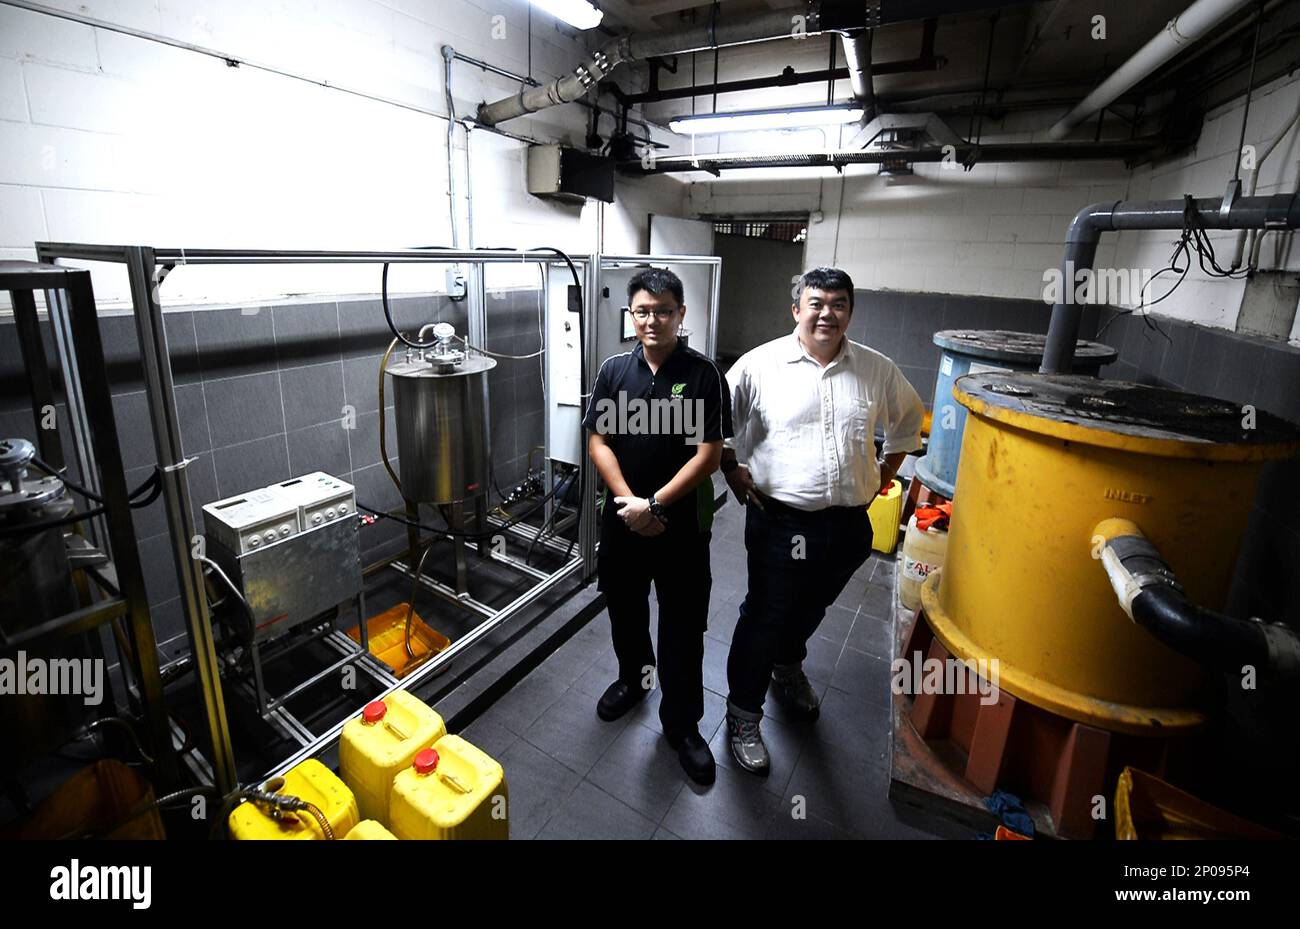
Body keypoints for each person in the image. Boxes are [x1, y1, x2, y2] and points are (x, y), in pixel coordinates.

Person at [720, 267, 924, 775]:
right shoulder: (760, 365)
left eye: (838, 304)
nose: (826, 313)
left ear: (850, 312)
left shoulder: (876, 369)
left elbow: (907, 421)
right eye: (816, 303)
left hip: (849, 526)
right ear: (797, 310)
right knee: (765, 614)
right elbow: (715, 424)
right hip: (780, 522)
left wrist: (882, 474)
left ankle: (787, 666)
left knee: (814, 604)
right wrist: (731, 469)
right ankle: (743, 714)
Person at [582, 267, 731, 785]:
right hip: (623, 521)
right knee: (624, 609)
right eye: (643, 311)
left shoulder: (704, 374)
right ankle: (634, 680)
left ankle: (682, 724)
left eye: (663, 311)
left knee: (683, 625)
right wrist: (630, 503)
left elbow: (709, 455)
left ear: (680, 315)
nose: (652, 320)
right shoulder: (613, 371)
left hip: (681, 526)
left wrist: (656, 506)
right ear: (631, 315)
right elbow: (598, 441)